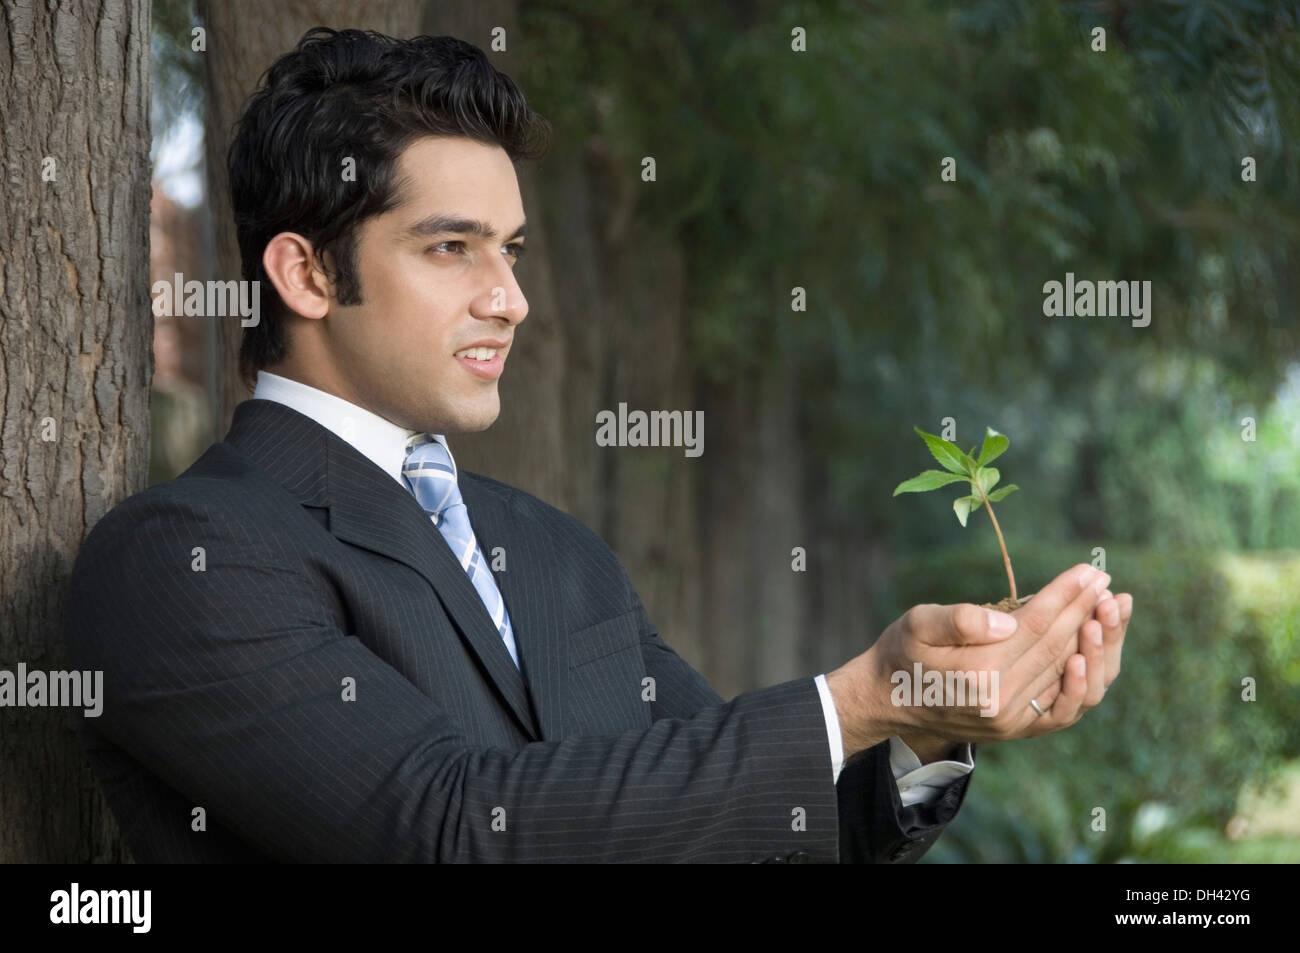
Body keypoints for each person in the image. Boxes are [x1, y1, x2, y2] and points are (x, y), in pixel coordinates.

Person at [63, 28, 1131, 863]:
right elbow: (445, 830)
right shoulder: (182, 555)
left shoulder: (552, 548)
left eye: (513, 250)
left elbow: (754, 831)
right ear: (303, 275)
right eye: (451, 248)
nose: (511, 299)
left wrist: (927, 725)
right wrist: (854, 697)